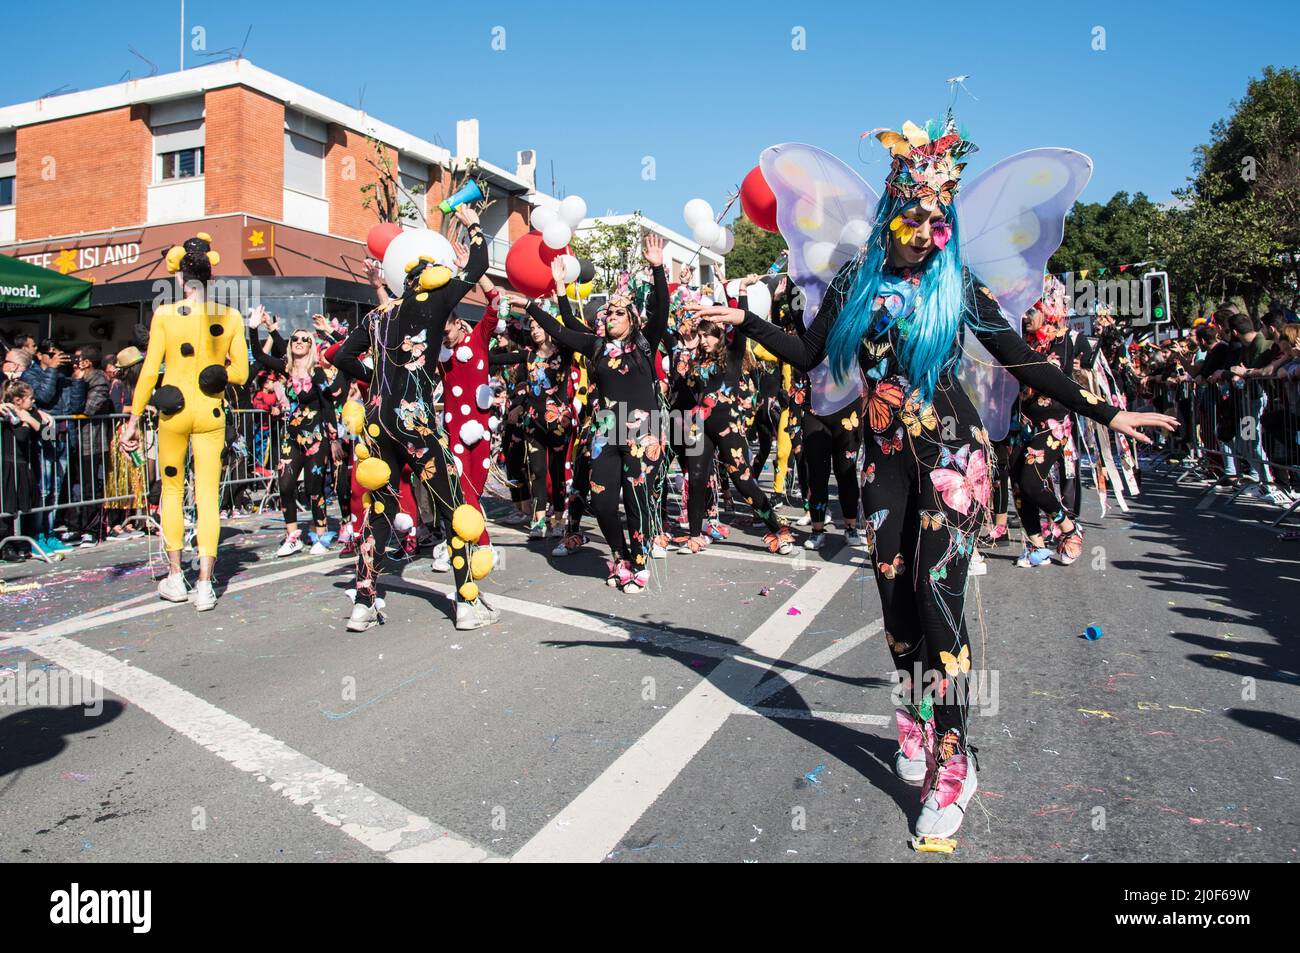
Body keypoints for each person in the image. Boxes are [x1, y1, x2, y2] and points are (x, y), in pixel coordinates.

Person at [691, 115, 1177, 838]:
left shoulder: (956, 278)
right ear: (892, 210)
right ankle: (914, 720)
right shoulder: (858, 276)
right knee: (895, 605)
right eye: (914, 214)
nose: (926, 229)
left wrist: (1108, 411)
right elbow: (804, 352)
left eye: (937, 216)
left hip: (956, 458)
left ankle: (954, 765)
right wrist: (743, 321)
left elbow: (1022, 358)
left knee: (937, 598)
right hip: (880, 459)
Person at [333, 205, 499, 632]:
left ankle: (365, 602)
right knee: (452, 505)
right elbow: (479, 265)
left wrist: (376, 381)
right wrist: (472, 226)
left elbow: (340, 355)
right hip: (416, 419)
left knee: (381, 508)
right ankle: (466, 602)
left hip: (377, 421)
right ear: (431, 274)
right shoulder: (436, 298)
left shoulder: (376, 316)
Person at [524, 233, 670, 594]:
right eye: (608, 313)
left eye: (618, 312)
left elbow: (663, 307)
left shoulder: (645, 343)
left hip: (643, 431)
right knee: (602, 500)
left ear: (632, 319)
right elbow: (561, 328)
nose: (611, 317)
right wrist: (536, 302)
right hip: (605, 430)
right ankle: (620, 555)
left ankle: (638, 562)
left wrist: (657, 269)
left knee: (637, 500)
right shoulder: (597, 346)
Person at [119, 232, 250, 611]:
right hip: (209, 411)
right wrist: (218, 372)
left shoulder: (164, 315)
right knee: (207, 495)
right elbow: (241, 372)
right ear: (211, 276)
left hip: (172, 412)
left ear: (179, 276)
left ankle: (176, 577)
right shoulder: (229, 316)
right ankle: (206, 585)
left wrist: (131, 421)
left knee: (172, 491)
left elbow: (147, 373)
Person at [249, 305, 342, 556]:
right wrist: (253, 328)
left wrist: (334, 440)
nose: (299, 341)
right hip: (292, 436)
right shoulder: (286, 370)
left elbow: (328, 406)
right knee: (286, 485)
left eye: (305, 339)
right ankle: (292, 536)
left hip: (317, 438)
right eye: (295, 339)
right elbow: (259, 355)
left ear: (311, 346)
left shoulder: (318, 372)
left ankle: (320, 535)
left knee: (314, 487)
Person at [0, 380, 46, 561]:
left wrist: (31, 418)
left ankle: (21, 542)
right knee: (8, 505)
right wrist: (26, 422)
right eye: (30, 398)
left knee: (23, 504)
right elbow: (20, 436)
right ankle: (6, 546)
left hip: (23, 463)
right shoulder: (6, 412)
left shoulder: (31, 413)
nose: (33, 402)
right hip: (8, 463)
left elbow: (46, 433)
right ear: (18, 400)